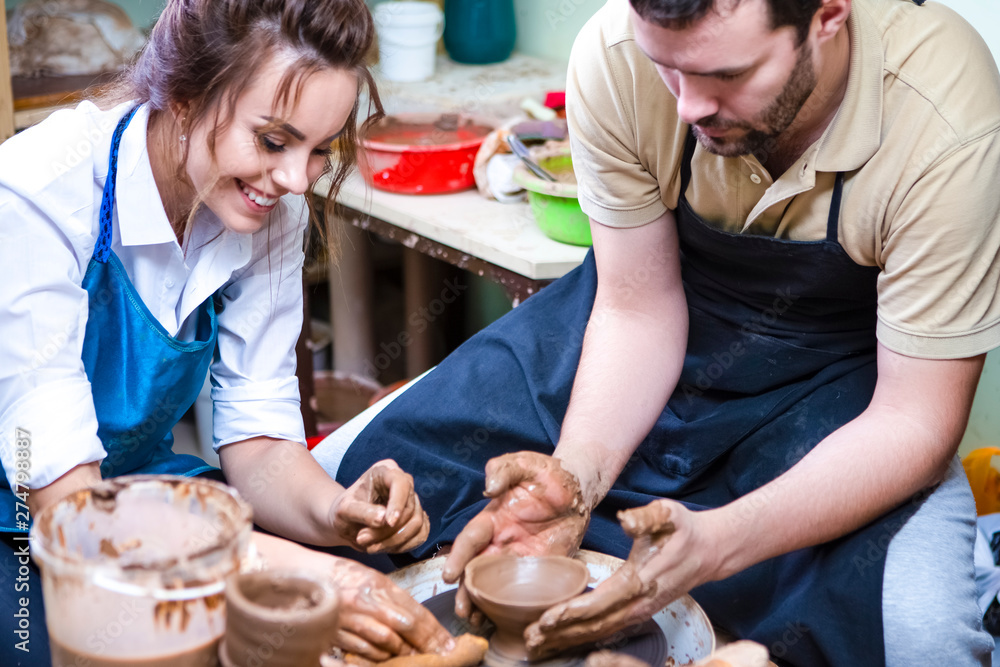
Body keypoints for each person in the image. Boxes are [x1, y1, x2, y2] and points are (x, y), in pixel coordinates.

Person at [314, 0, 1000, 664]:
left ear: (828, 14)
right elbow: (638, 307)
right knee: (343, 493)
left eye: (726, 75)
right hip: (627, 329)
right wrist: (576, 476)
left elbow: (917, 417)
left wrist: (719, 542)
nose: (686, 106)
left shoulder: (944, 114)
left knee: (920, 638)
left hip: (837, 389)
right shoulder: (616, 53)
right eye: (666, 67)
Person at [0, 0, 452, 664]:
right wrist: (312, 572)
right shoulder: (38, 192)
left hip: (144, 487)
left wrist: (336, 512)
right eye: (274, 140)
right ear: (183, 98)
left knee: (359, 600)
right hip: (30, 516)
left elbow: (259, 445)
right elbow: (74, 509)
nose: (297, 179)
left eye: (320, 148)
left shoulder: (264, 202)